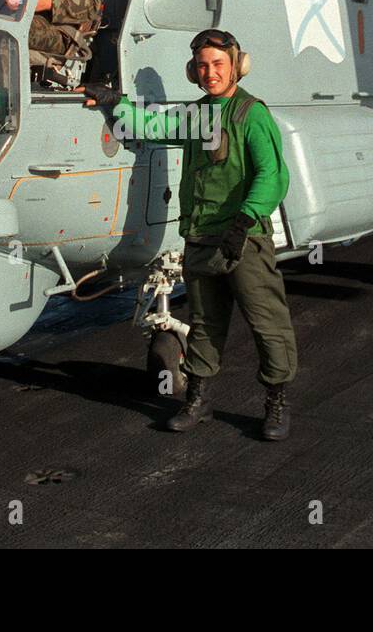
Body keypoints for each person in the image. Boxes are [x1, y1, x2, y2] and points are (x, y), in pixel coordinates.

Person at [79, 29, 297, 441]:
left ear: (236, 65)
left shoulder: (252, 115)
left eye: (218, 64)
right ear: (193, 71)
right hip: (201, 238)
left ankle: (276, 404)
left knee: (267, 325)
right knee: (203, 324)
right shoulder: (198, 116)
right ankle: (198, 399)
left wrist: (244, 220)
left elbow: (273, 175)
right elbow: (151, 126)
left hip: (243, 239)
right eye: (202, 66)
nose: (210, 72)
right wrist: (113, 102)